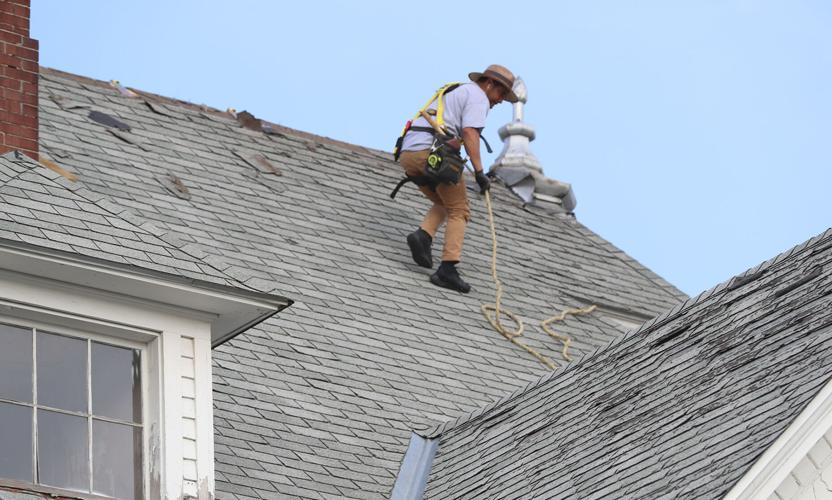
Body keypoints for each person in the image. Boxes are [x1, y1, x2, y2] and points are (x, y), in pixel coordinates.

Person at [398, 64, 518, 293]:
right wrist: (480, 173)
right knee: (460, 209)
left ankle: (423, 236)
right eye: (501, 93)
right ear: (489, 84)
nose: (500, 100)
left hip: (410, 155)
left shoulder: (457, 90)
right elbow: (470, 133)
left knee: (447, 202)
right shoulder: (478, 96)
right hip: (430, 154)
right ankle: (448, 269)